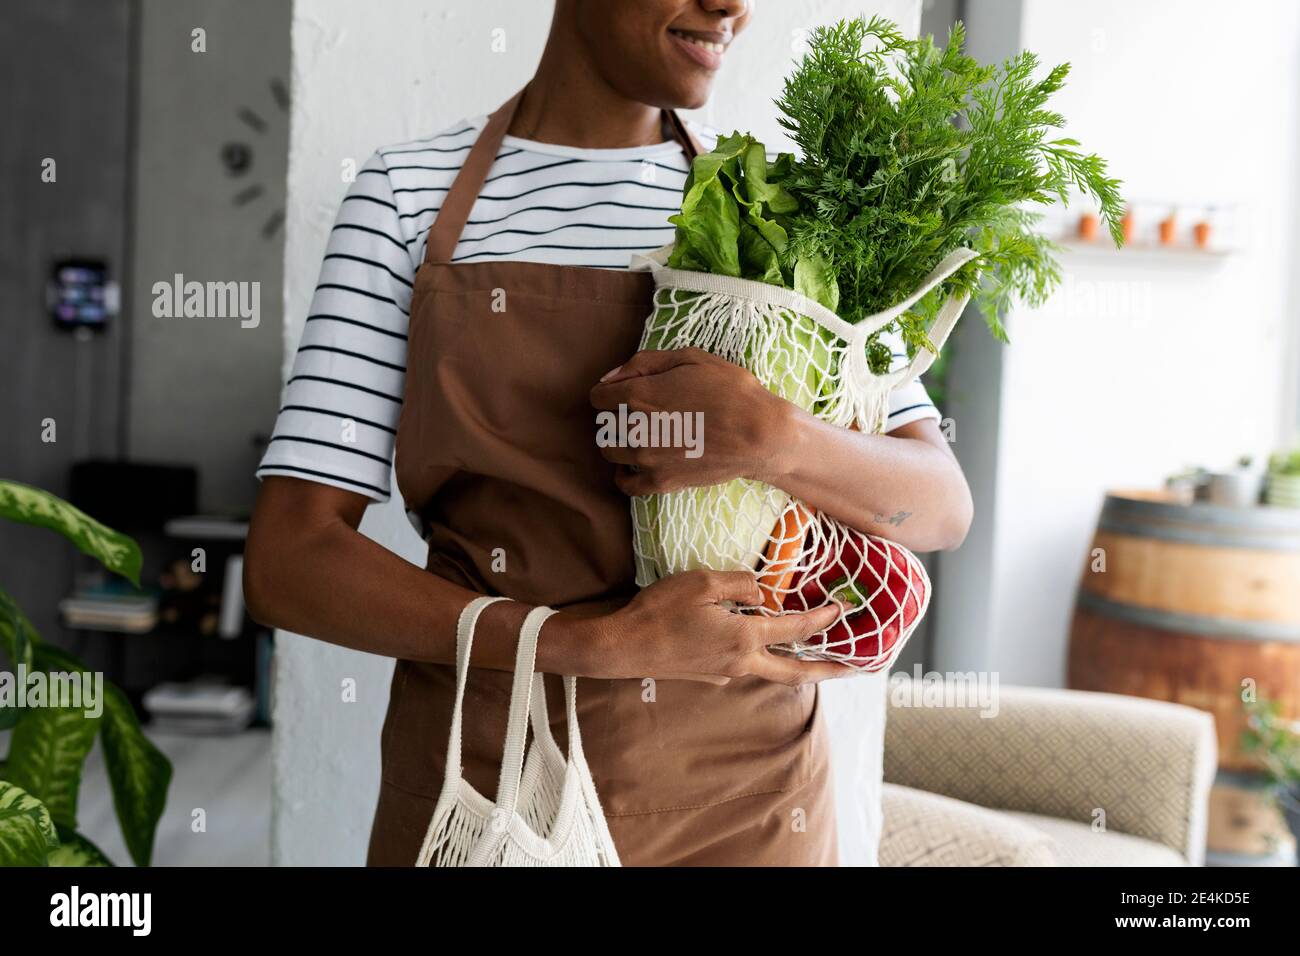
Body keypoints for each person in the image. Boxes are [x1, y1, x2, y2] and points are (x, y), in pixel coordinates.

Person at [245, 0, 973, 866]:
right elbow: (290, 561)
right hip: (492, 791)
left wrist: (778, 439)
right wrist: (591, 645)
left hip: (754, 799)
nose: (731, 5)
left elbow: (940, 509)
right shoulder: (408, 199)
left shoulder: (779, 215)